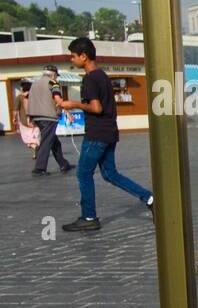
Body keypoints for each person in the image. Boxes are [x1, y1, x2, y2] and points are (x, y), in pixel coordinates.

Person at [60, 37, 153, 233]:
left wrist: (73, 104)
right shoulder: (102, 76)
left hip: (96, 134)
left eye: (73, 56)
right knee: (110, 174)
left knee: (83, 173)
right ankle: (150, 198)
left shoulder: (90, 78)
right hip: (109, 132)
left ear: (84, 56)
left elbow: (96, 107)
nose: (71, 60)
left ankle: (89, 217)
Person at [27, 65, 74, 175]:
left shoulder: (35, 83)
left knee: (54, 141)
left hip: (36, 116)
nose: (56, 77)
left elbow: (31, 100)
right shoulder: (53, 82)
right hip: (49, 116)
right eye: (56, 75)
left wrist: (30, 116)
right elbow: (58, 99)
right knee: (46, 141)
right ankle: (39, 168)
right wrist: (68, 113)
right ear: (53, 74)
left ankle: (63, 164)